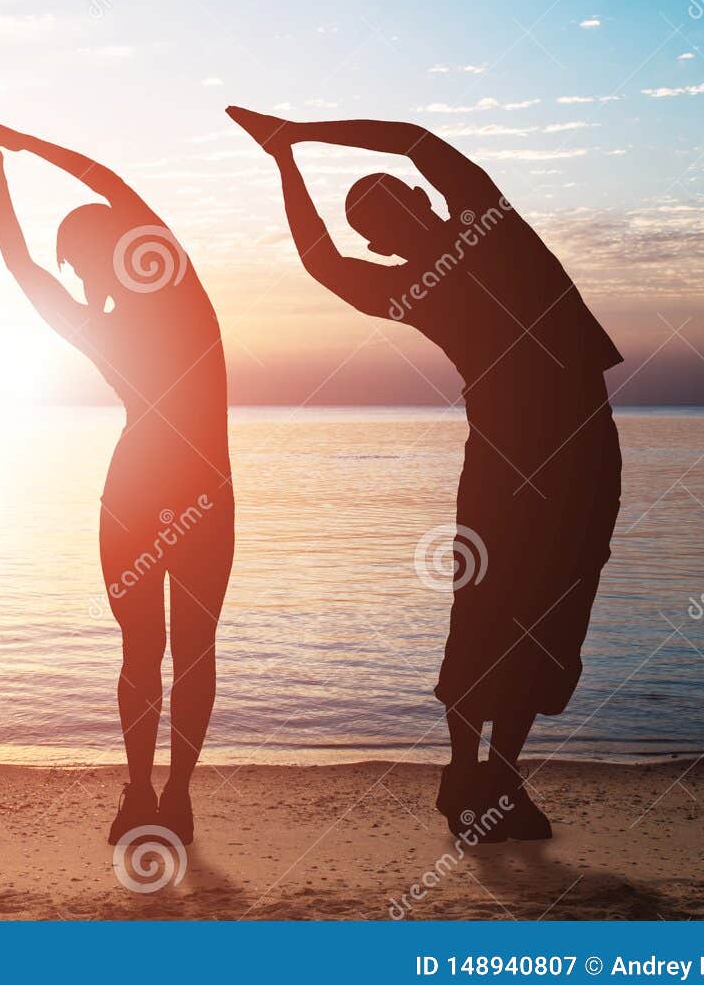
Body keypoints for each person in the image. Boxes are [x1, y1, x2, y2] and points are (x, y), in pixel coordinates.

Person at [227, 107, 622, 841]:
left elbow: (416, 141)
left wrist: (298, 132)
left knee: (552, 608)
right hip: (508, 460)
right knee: (484, 609)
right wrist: (285, 161)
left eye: (396, 201)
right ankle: (463, 771)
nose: (394, 222)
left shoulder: (488, 224)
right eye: (377, 223)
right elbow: (323, 264)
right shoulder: (420, 285)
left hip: (583, 449)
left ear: (423, 199)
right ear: (381, 242)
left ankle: (499, 775)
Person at [0, 111, 233, 846]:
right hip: (156, 492)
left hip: (176, 492)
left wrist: (14, 149)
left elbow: (109, 187)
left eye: (82, 264)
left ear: (119, 253)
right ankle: (147, 790)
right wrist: (3, 162)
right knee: (147, 648)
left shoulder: (174, 295)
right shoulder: (135, 317)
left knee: (186, 648)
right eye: (74, 270)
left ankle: (170, 792)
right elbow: (22, 264)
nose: (80, 280)